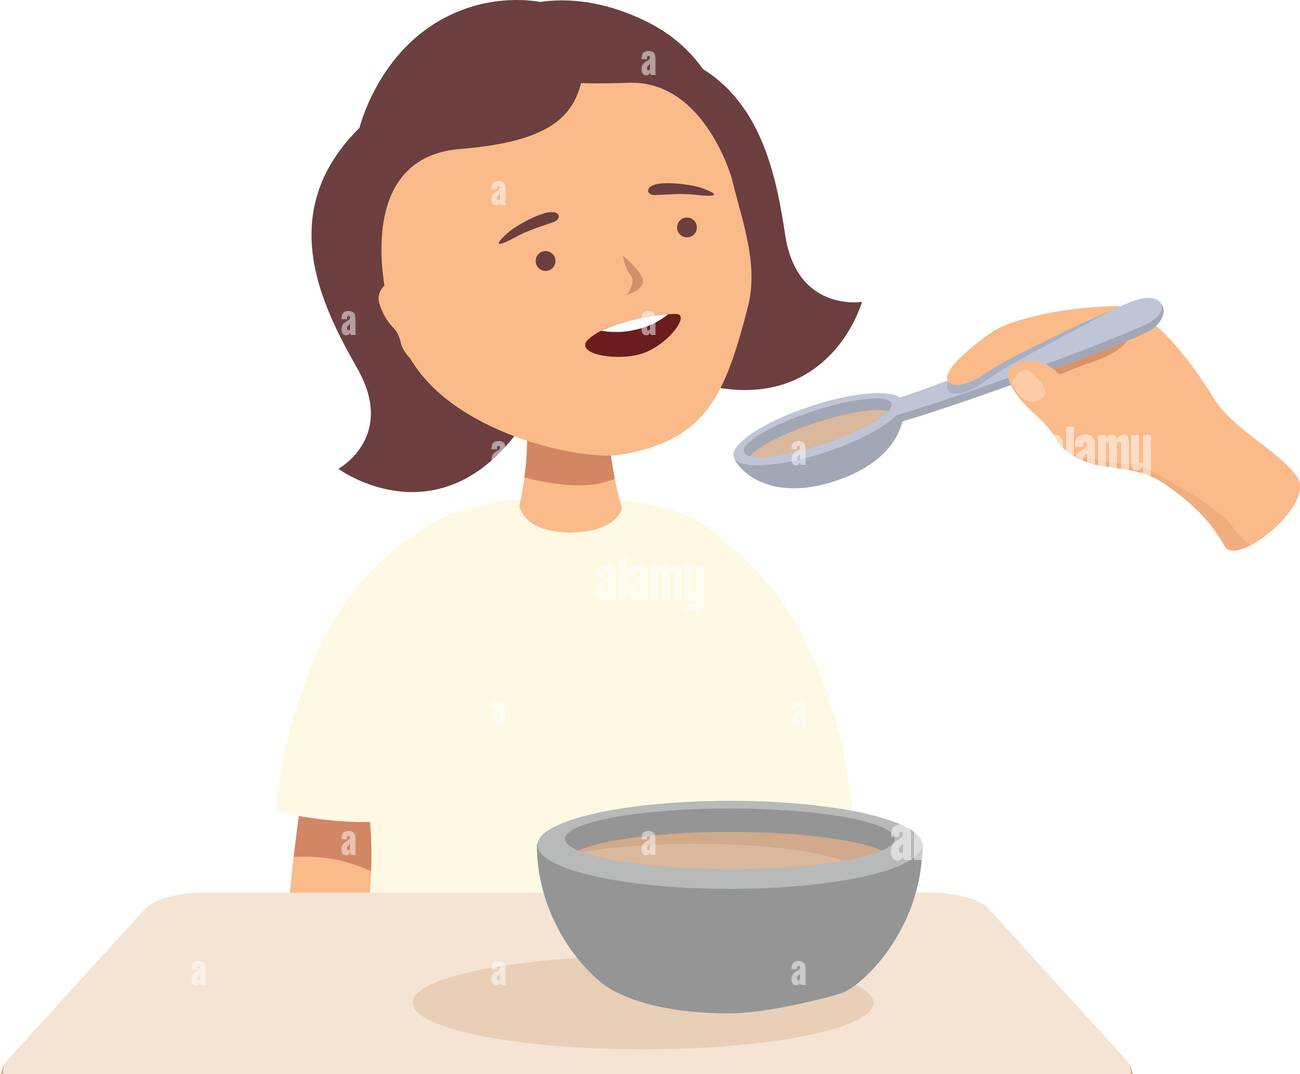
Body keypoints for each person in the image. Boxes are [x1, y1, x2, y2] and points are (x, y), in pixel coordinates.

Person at [282, 1, 1295, 893]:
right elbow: (333, 858)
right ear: (399, 312)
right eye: (543, 254)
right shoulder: (413, 602)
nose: (632, 277)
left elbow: (803, 859)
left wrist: (1203, 458)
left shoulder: (724, 592)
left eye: (683, 227)